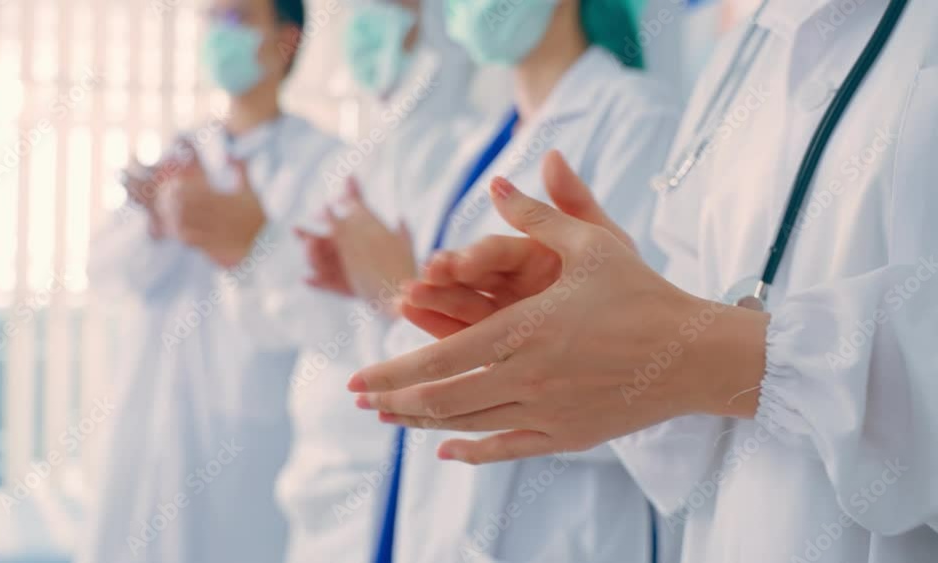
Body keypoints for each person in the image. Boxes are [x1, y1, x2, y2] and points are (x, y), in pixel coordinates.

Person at [349, 1, 938, 562]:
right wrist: (607, 326)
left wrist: (718, 352)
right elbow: (680, 412)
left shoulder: (639, 114)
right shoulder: (741, 60)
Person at [304, 0, 681, 561]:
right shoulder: (478, 148)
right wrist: (379, 290)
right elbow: (408, 361)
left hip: (563, 529)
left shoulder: (638, 119)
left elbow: (638, 379)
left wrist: (400, 292)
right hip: (441, 515)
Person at [81, 1, 342, 561]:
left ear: (285, 41)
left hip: (249, 432)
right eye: (212, 21)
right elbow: (105, 272)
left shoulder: (325, 165)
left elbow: (324, 312)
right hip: (152, 418)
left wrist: (252, 239)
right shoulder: (180, 153)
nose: (218, 35)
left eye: (238, 20)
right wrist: (156, 223)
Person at [272, 2, 503, 562]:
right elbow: (299, 309)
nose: (364, 19)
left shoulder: (463, 155)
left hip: (384, 468)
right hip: (322, 475)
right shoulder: (364, 154)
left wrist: (391, 291)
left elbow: (471, 346)